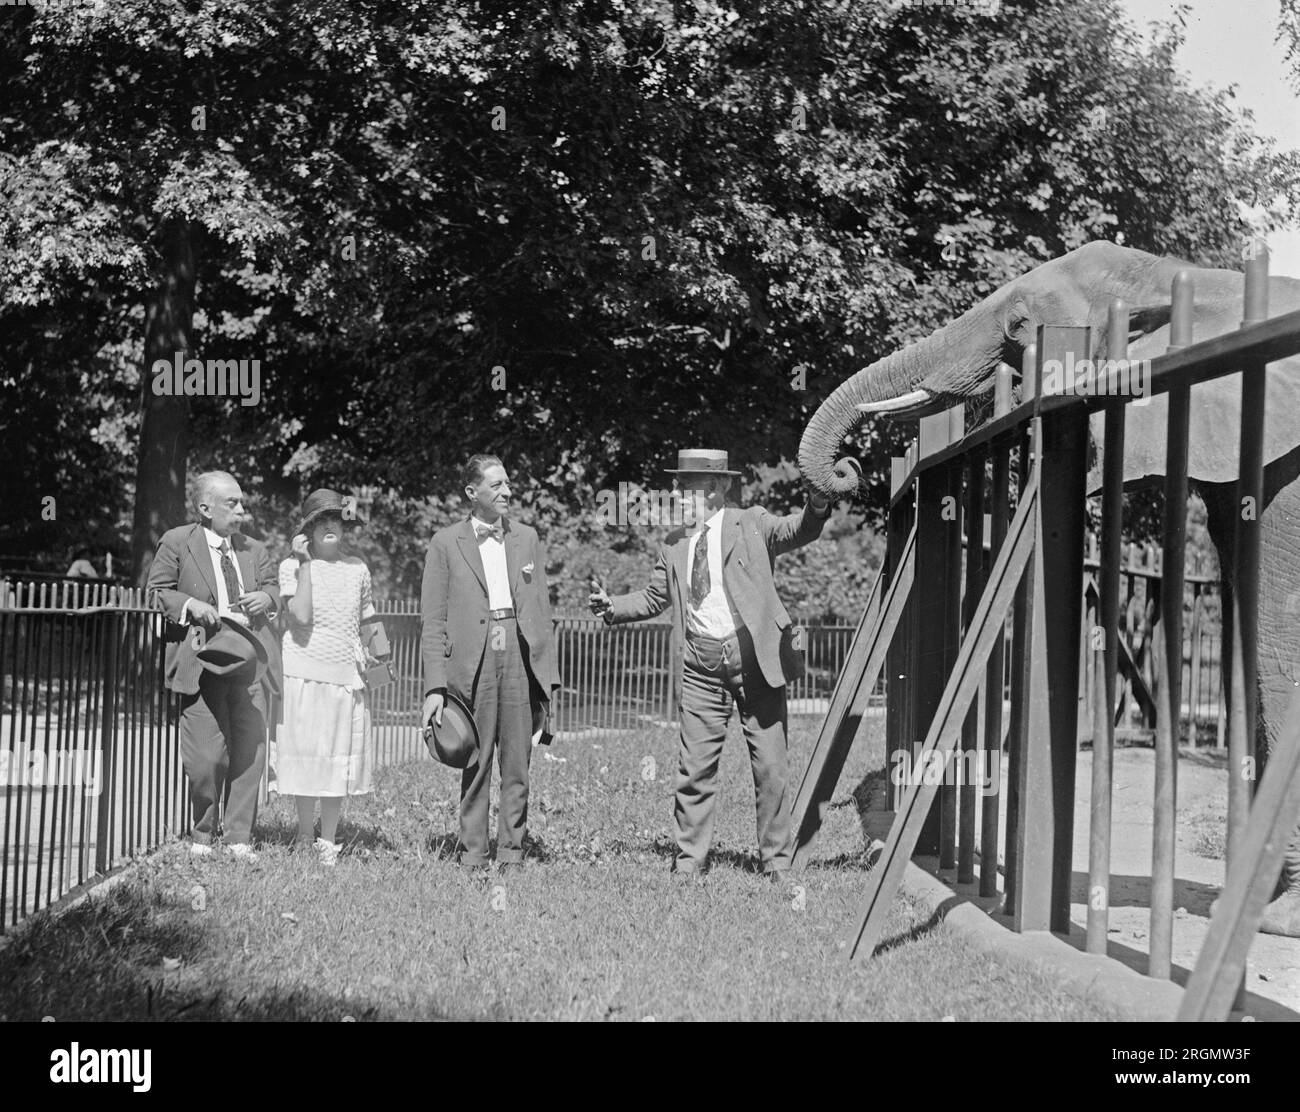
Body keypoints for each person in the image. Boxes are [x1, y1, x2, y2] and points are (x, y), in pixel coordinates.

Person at [589, 448, 832, 881]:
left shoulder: (751, 523)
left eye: (690, 487)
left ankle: (776, 862)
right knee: (694, 767)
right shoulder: (674, 545)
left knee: (770, 767)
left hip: (755, 660)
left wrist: (816, 505)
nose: (679, 494)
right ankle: (688, 864)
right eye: (678, 485)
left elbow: (797, 530)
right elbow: (653, 598)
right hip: (701, 666)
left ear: (718, 490)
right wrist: (612, 606)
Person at [420, 454, 560, 874]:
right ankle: (473, 856)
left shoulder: (527, 538)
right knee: (475, 760)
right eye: (496, 485)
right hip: (473, 659)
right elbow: (433, 621)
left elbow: (541, 610)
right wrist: (435, 687)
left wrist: (547, 679)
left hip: (516, 651)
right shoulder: (446, 543)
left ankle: (512, 853)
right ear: (472, 493)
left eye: (507, 484)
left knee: (518, 762)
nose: (507, 492)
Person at [147, 471, 280, 860]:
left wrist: (266, 599)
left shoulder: (254, 549)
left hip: (250, 658)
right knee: (206, 757)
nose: (242, 510)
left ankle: (239, 838)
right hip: (202, 658)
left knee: (249, 750)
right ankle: (202, 834)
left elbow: (274, 590)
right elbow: (156, 592)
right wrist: (190, 606)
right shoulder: (177, 542)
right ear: (205, 508)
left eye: (241, 503)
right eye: (232, 503)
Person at [277, 489, 377, 867]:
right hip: (304, 670)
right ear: (308, 531)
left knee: (336, 757)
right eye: (321, 521)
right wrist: (303, 562)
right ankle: (304, 834)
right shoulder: (293, 566)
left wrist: (378, 656)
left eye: (336, 519)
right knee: (308, 755)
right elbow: (299, 617)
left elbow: (367, 620)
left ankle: (328, 839)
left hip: (344, 673)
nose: (330, 526)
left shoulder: (358, 569)